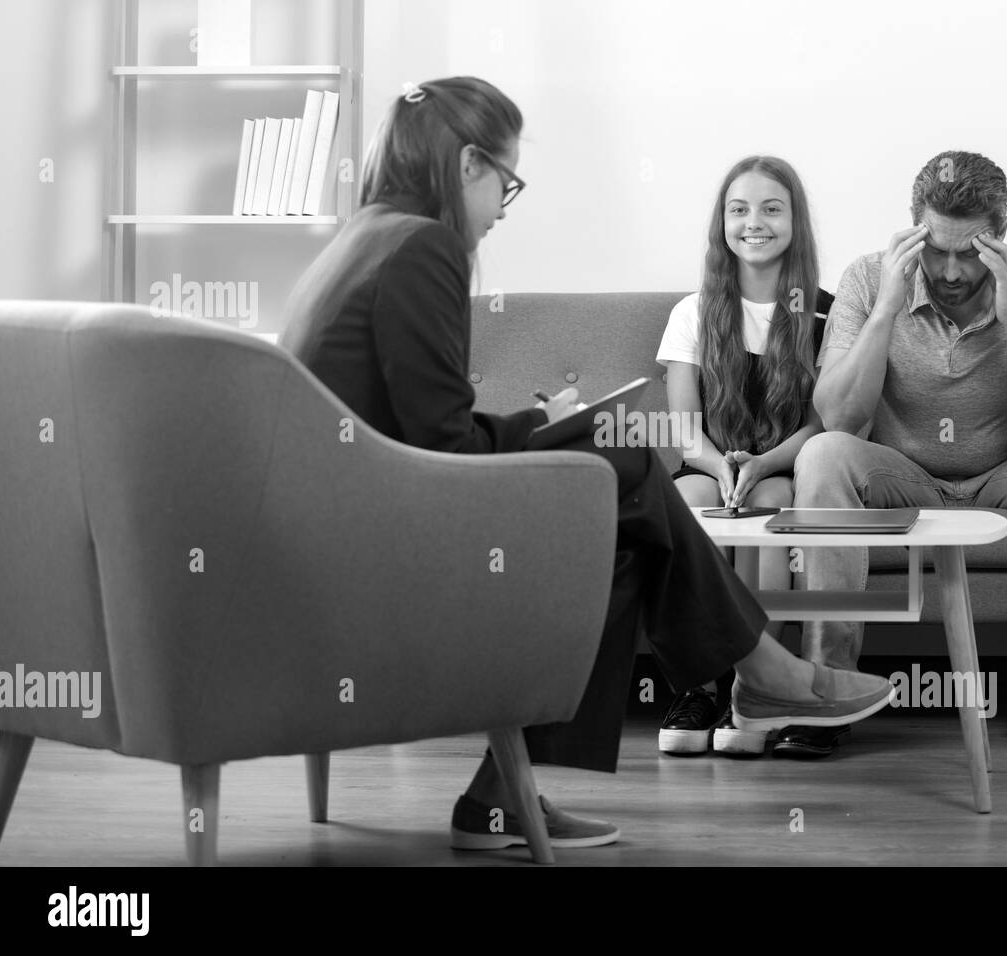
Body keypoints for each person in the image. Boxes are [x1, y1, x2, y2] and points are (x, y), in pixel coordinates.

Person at [279, 76, 896, 852]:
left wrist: (545, 424)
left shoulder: (364, 236)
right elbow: (441, 449)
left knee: (622, 489)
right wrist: (564, 437)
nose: (502, 207)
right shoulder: (422, 247)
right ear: (469, 163)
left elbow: (425, 429)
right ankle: (768, 674)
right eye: (506, 181)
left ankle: (508, 795)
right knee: (626, 469)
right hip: (382, 543)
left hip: (348, 527)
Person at [797, 150, 1007, 761]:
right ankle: (829, 689)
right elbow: (839, 419)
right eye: (936, 249)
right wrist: (888, 308)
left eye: (969, 252)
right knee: (823, 456)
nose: (949, 271)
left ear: (1001, 235)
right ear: (913, 229)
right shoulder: (870, 278)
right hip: (905, 474)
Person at [654, 156, 847, 759]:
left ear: (795, 220)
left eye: (771, 208)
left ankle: (751, 688)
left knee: (769, 506)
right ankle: (699, 685)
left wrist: (764, 465)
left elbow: (824, 423)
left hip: (785, 467)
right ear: (722, 223)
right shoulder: (692, 312)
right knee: (686, 505)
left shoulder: (826, 312)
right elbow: (684, 426)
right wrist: (718, 465)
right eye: (739, 209)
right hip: (709, 463)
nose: (753, 222)